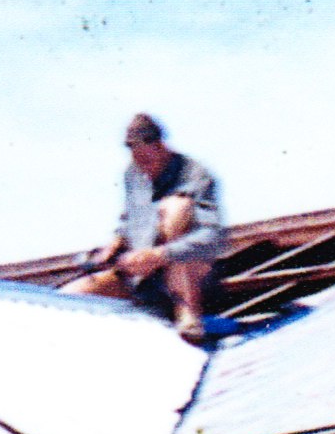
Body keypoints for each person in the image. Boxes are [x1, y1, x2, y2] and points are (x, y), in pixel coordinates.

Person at [70, 114, 228, 343]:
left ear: (161, 146)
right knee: (71, 298)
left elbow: (212, 238)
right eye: (139, 163)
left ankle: (187, 312)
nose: (144, 170)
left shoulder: (196, 174)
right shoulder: (133, 174)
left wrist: (159, 255)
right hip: (142, 280)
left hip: (188, 276)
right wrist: (115, 245)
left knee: (178, 208)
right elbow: (129, 220)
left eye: (148, 162)